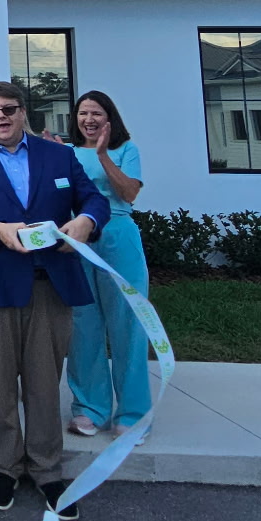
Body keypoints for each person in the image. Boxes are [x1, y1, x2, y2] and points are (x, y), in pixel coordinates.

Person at [0, 82, 109, 519]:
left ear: (22, 112)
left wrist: (87, 221)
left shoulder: (58, 155)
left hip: (49, 282)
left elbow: (93, 198)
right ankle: (5, 466)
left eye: (9, 109)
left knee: (43, 380)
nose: (1, 117)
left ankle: (47, 470)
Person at [66, 90, 150, 440]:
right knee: (83, 327)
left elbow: (129, 192)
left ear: (109, 118)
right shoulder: (68, 153)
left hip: (118, 238)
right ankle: (90, 408)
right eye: (83, 113)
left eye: (96, 113)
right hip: (79, 240)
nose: (89, 119)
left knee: (127, 326)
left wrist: (102, 155)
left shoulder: (126, 150)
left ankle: (133, 413)